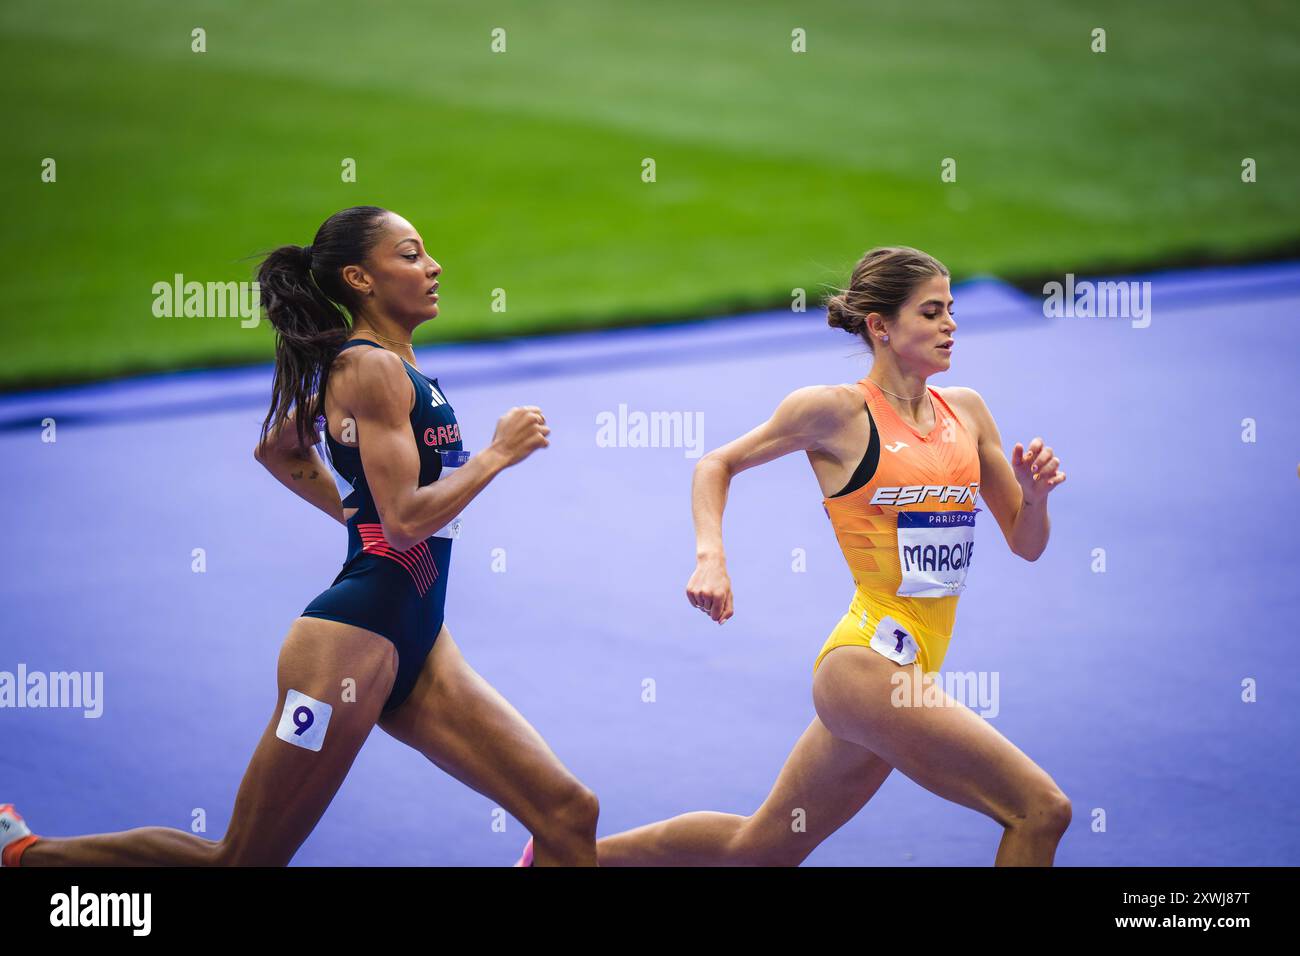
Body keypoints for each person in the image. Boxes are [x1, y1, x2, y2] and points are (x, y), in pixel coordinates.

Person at [3, 206, 599, 867]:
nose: (432, 268)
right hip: (344, 649)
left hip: (419, 640)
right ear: (359, 278)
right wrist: (496, 455)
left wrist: (362, 515)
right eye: (409, 254)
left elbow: (282, 450)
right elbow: (403, 524)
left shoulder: (390, 369)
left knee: (569, 814)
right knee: (240, 860)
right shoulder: (370, 369)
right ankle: (23, 853)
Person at [569, 245, 1070, 867]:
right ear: (880, 327)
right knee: (1040, 809)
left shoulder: (966, 413)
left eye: (952, 310)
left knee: (757, 850)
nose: (951, 325)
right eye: (932, 312)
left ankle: (565, 858)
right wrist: (710, 558)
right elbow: (715, 463)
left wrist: (1036, 497)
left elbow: (1026, 544)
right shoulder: (835, 412)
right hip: (864, 667)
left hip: (913, 664)